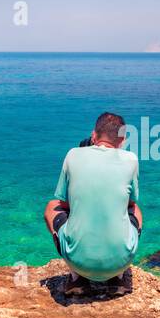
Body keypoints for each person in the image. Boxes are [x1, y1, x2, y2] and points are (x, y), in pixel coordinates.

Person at [44, 112, 142, 293]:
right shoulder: (131, 160)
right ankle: (118, 277)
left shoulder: (73, 155)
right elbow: (130, 202)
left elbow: (63, 202)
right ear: (122, 141)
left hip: (79, 261)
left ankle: (77, 278)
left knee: (51, 207)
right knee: (135, 210)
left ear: (93, 135)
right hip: (120, 262)